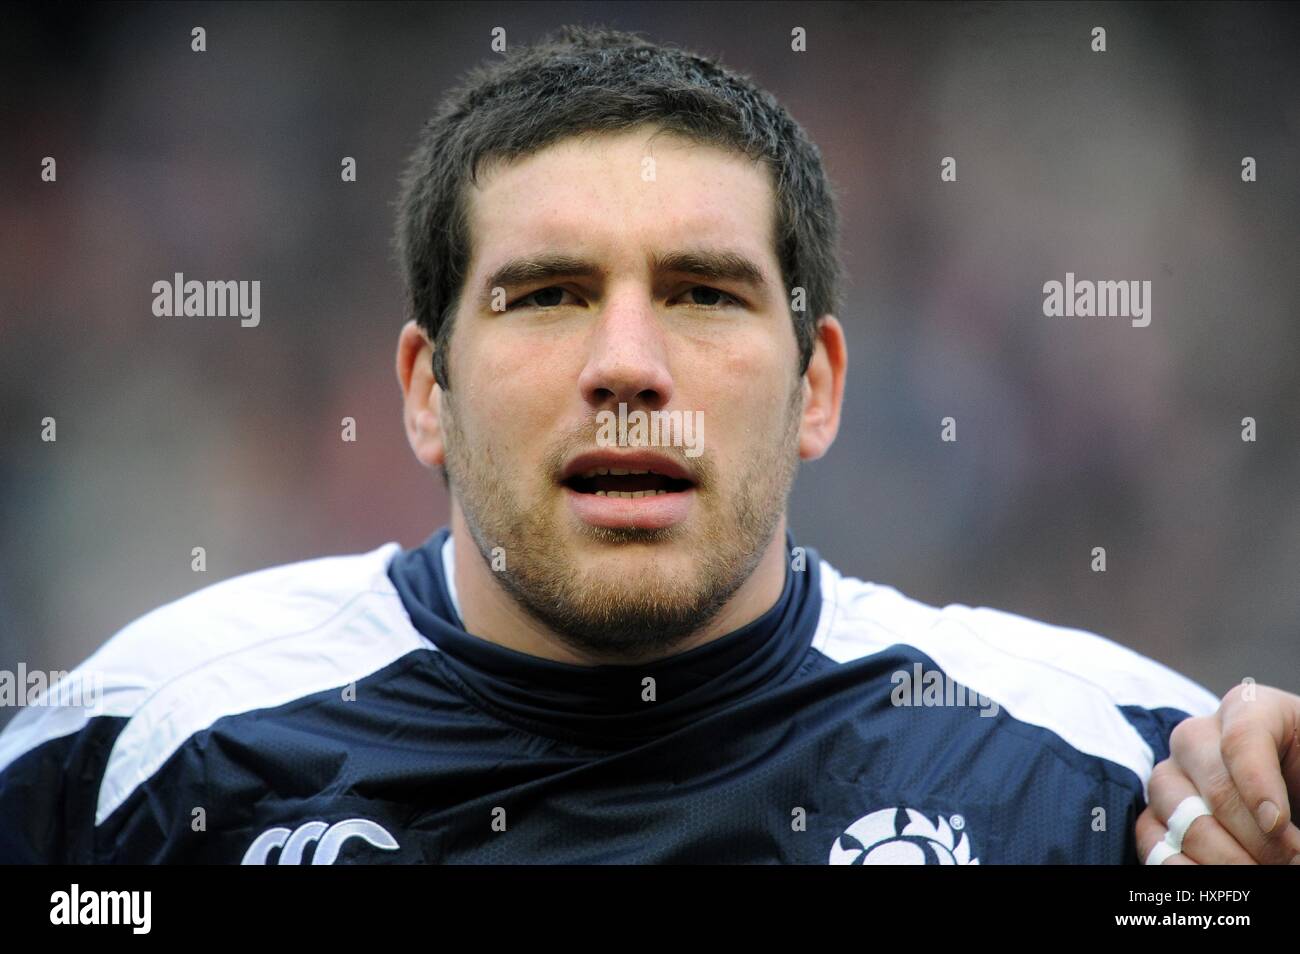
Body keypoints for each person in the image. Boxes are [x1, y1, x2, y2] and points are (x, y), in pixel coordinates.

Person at [0, 25, 1294, 865]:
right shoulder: (141, 755)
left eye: (704, 293)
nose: (627, 363)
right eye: (549, 292)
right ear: (424, 391)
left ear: (819, 390)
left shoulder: (1113, 780)